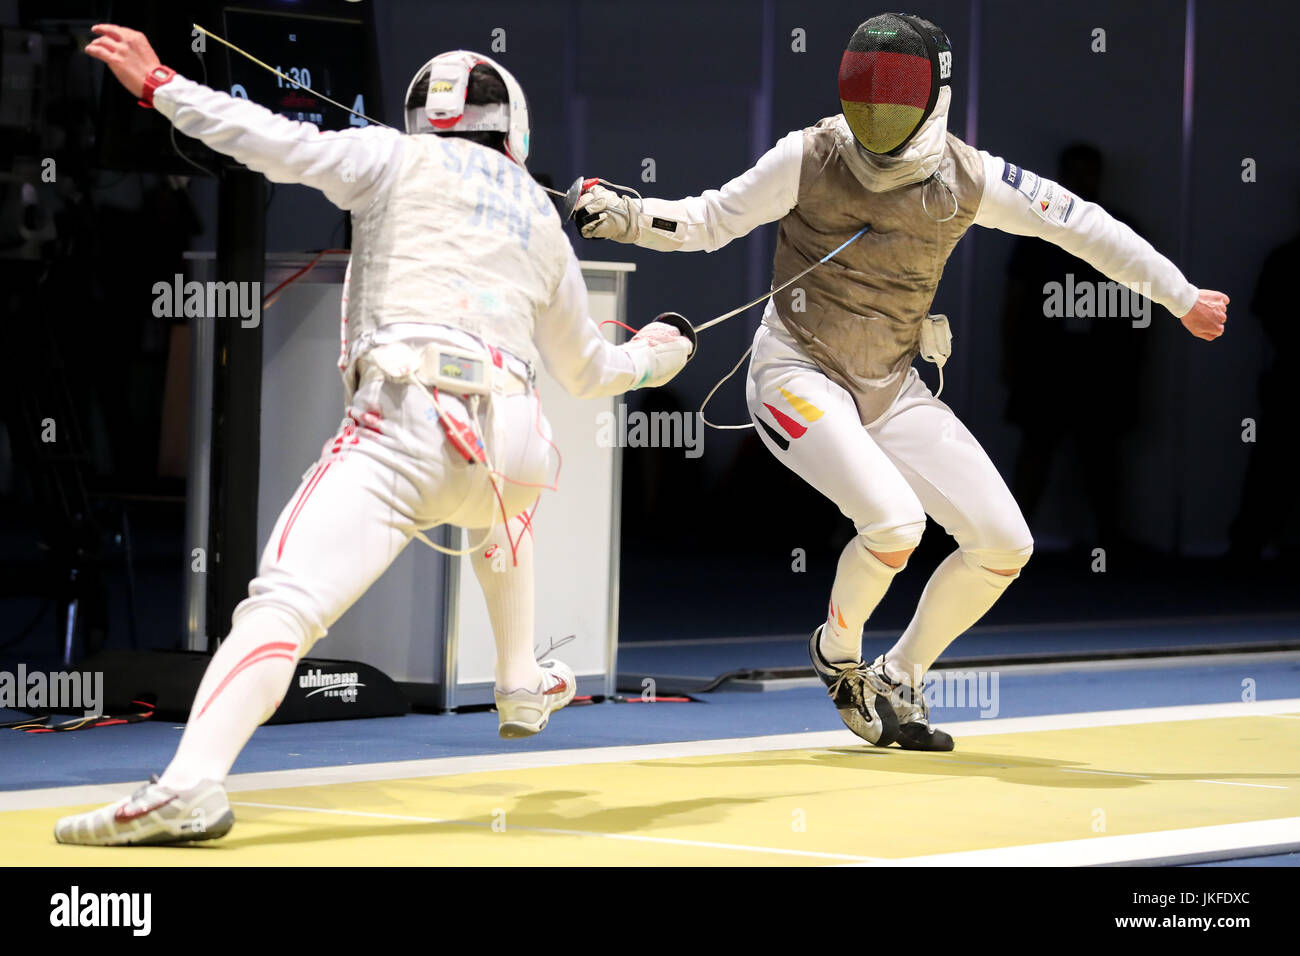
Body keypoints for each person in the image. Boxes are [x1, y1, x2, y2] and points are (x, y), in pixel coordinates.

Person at [56, 24, 691, 846]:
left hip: (412, 418)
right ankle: (519, 680)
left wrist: (161, 86)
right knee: (505, 508)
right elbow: (590, 371)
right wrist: (657, 354)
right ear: (515, 129)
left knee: (282, 605)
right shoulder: (538, 211)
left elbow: (270, 141)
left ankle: (188, 788)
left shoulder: (389, 155)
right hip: (516, 443)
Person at [575, 12, 1228, 751]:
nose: (878, 111)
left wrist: (1180, 295)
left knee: (1003, 544)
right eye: (868, 93)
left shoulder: (969, 178)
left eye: (895, 94)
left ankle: (900, 674)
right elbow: (708, 220)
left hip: (890, 384)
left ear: (933, 96)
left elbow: (1082, 226)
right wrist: (630, 215)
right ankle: (838, 654)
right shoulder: (808, 155)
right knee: (893, 522)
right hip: (794, 371)